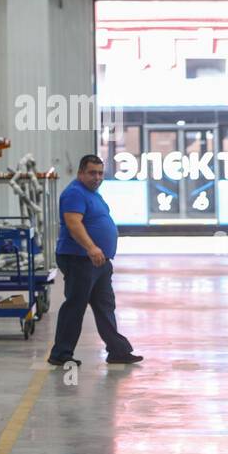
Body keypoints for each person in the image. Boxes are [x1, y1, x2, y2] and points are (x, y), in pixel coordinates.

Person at [48, 154, 142, 367]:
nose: (97, 177)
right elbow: (73, 224)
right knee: (75, 305)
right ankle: (61, 353)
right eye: (92, 173)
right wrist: (91, 248)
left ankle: (118, 350)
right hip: (79, 258)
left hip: (98, 261)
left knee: (105, 305)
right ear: (81, 172)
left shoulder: (93, 194)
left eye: (100, 173)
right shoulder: (74, 193)